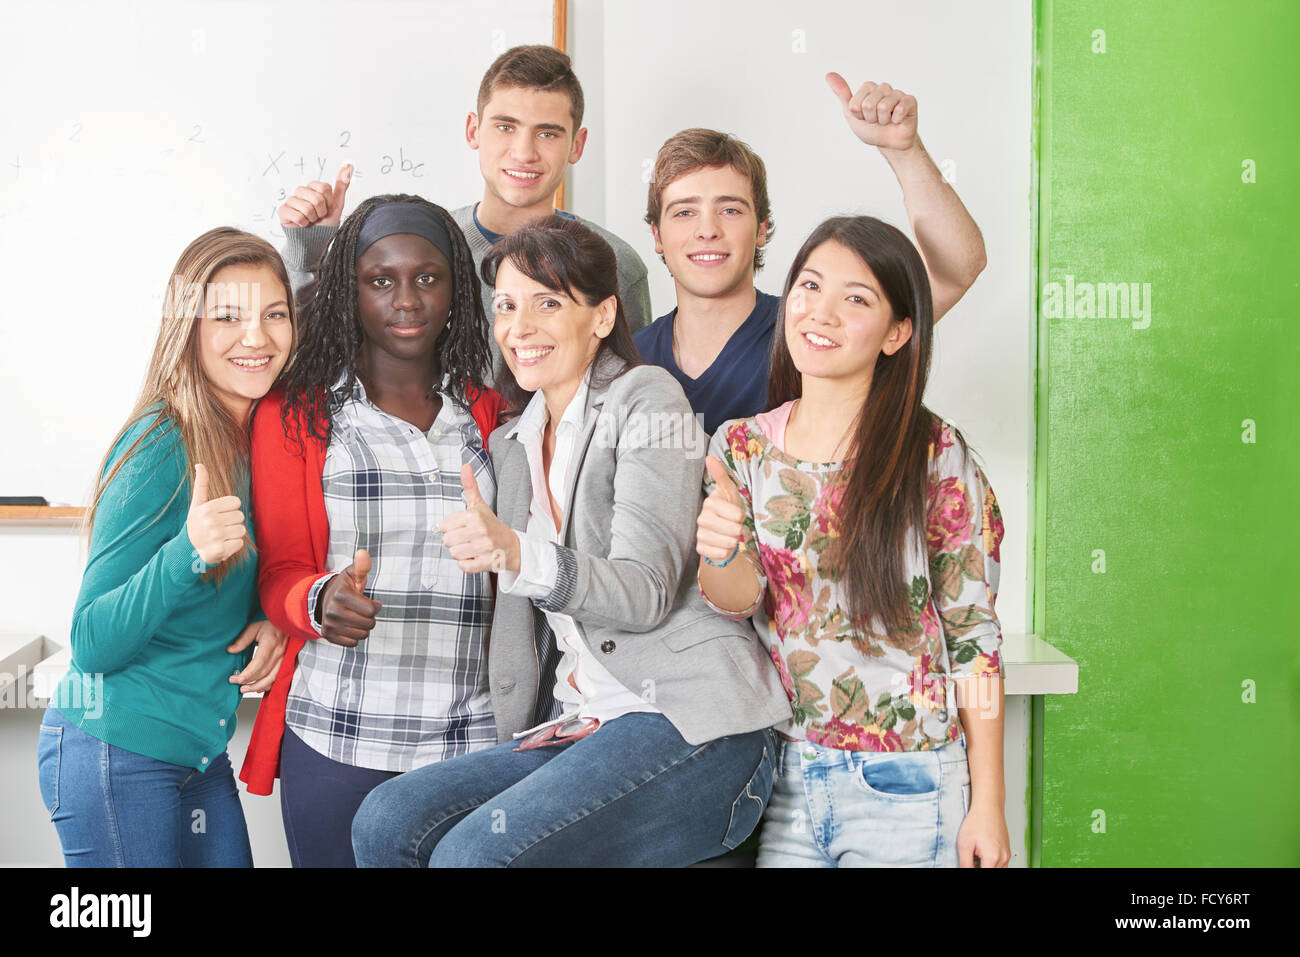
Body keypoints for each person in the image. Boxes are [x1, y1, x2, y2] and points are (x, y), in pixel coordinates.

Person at [350, 216, 791, 867]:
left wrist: (515, 553)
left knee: (474, 855)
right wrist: (519, 760)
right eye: (506, 305)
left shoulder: (648, 401)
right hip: (587, 727)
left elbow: (642, 591)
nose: (519, 327)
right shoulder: (511, 445)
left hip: (699, 725)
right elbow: (514, 635)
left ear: (604, 314)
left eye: (547, 302)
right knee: (385, 820)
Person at [695, 215, 1010, 867]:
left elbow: (973, 634)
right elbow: (738, 601)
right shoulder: (741, 445)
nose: (822, 312)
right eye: (809, 286)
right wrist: (719, 546)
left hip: (911, 781)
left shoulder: (933, 453)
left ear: (898, 332)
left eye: (857, 299)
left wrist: (989, 803)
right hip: (784, 778)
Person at [239, 194, 506, 867]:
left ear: (456, 289)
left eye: (428, 277)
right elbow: (277, 572)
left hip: (473, 741)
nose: (407, 299)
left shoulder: (491, 409)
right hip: (340, 736)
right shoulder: (294, 414)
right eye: (380, 280)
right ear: (347, 292)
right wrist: (319, 598)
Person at [37, 228, 293, 867]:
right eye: (228, 317)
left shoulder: (262, 438)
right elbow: (92, 640)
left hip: (196, 755)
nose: (256, 337)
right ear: (188, 328)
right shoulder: (163, 442)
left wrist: (270, 619)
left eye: (275, 314)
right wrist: (188, 551)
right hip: (114, 751)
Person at [637, 75, 986, 435]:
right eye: (683, 212)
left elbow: (957, 270)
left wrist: (905, 152)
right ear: (656, 234)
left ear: (761, 228)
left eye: (730, 210)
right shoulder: (628, 360)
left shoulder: (816, 329)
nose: (707, 230)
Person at [277, 44, 652, 378]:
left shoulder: (615, 264)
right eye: (506, 126)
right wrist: (306, 253)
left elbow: (628, 401)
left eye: (548, 133)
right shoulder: (418, 249)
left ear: (577, 144)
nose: (523, 152)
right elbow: (310, 359)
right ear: (473, 130)